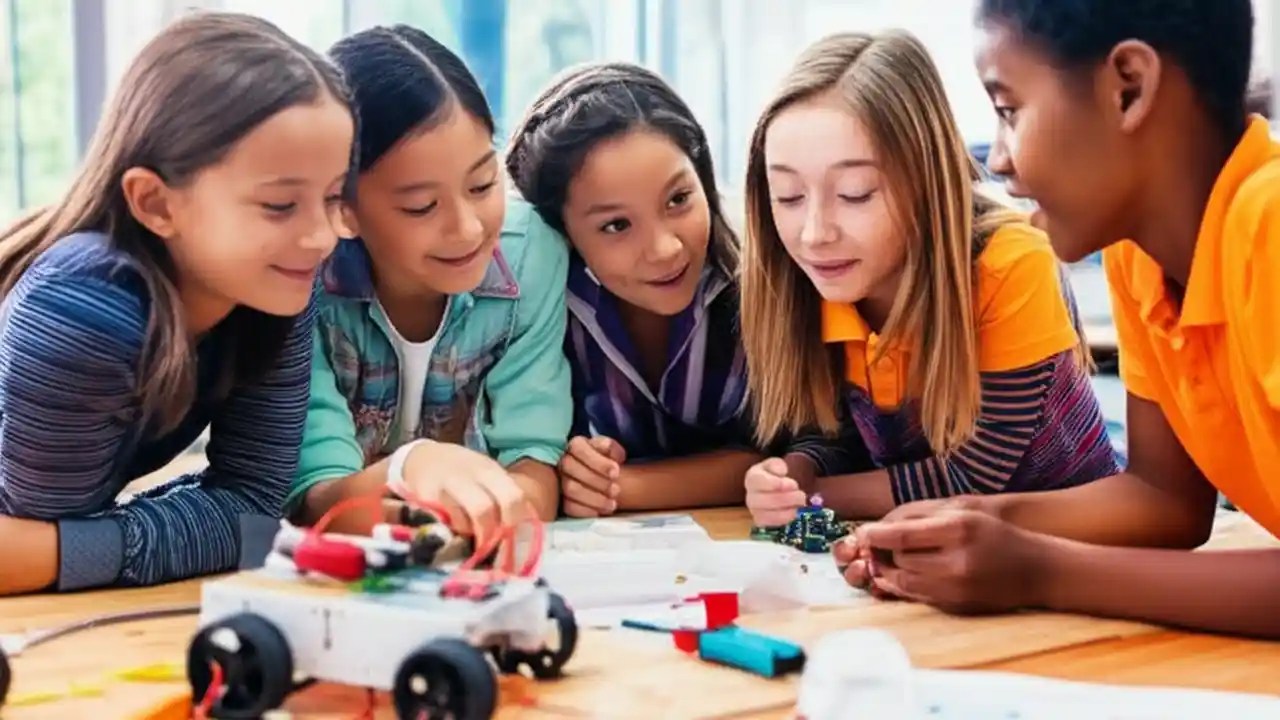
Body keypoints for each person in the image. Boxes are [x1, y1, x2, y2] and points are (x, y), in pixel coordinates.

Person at [845, 0, 1280, 640]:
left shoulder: (1269, 224)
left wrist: (1040, 571)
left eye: (1009, 111)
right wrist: (971, 518)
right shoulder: (1140, 254)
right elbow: (1165, 501)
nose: (998, 160)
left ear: (1128, 87)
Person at [0, 11, 353, 595]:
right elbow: (32, 542)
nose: (322, 236)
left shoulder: (280, 279)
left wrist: (77, 547)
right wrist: (72, 547)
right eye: (279, 205)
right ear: (155, 203)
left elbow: (255, 512)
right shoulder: (86, 307)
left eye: (334, 196)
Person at [738, 31, 1118, 530]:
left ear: (926, 181)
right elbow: (835, 433)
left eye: (855, 193)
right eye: (788, 196)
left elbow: (976, 476)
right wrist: (793, 473)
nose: (814, 234)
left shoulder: (1010, 262)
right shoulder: (816, 279)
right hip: (934, 544)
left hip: (1075, 541)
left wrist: (814, 495)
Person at [290, 25, 571, 538]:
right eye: (421, 206)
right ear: (343, 207)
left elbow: (534, 465)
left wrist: (501, 510)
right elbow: (316, 501)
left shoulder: (531, 254)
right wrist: (410, 467)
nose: (468, 229)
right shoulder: (300, 282)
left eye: (483, 184)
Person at [505, 62, 761, 517]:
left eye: (678, 199)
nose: (665, 249)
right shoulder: (541, 309)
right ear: (562, 232)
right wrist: (578, 473)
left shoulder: (761, 284)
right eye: (616, 225)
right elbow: (531, 459)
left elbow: (789, 459)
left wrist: (622, 487)